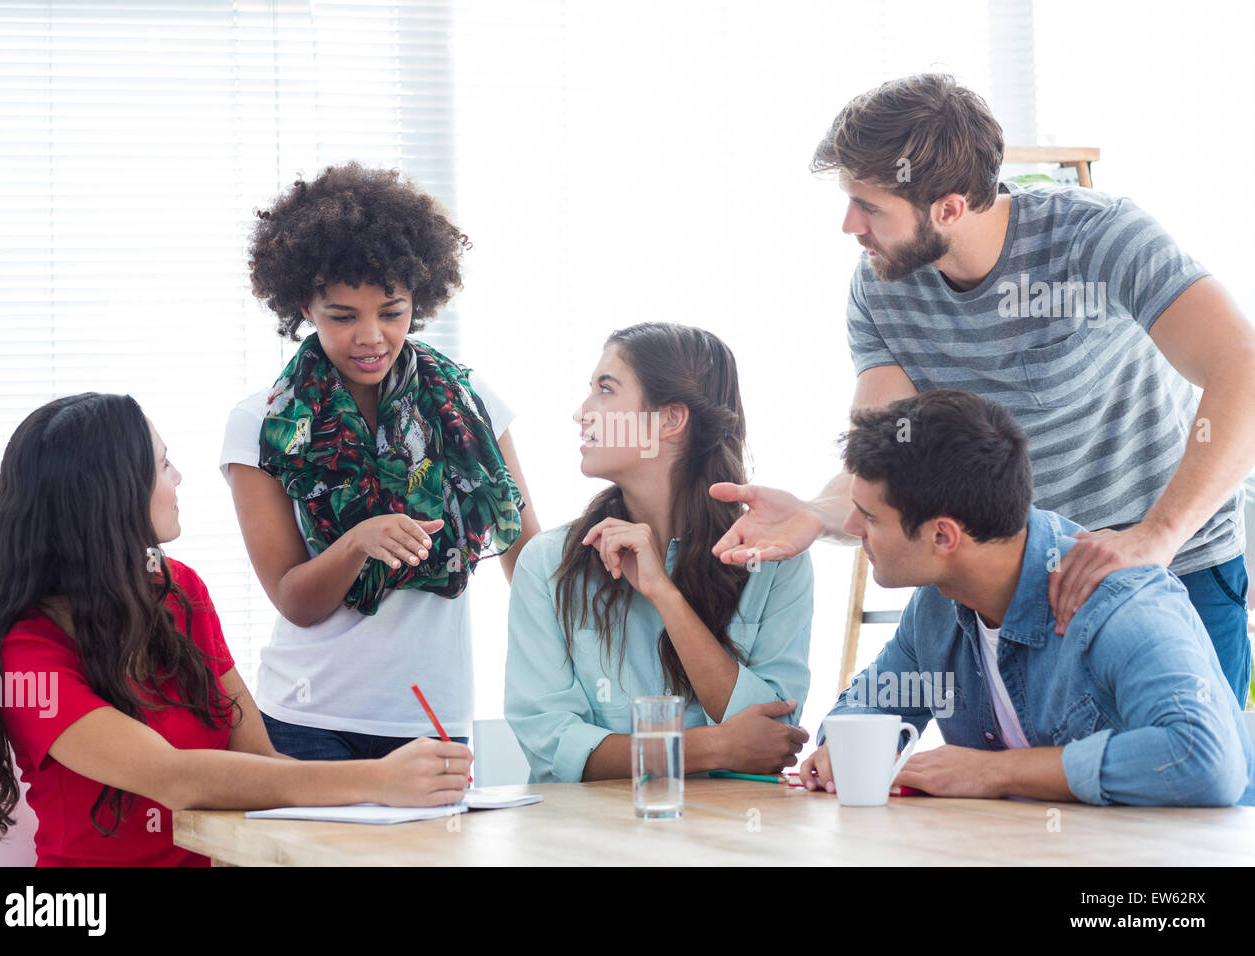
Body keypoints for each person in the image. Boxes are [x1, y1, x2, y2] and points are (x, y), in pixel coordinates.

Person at [711, 74, 1254, 704]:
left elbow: (1240, 366)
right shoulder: (883, 286)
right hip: (1032, 588)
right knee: (1047, 787)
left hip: (1174, 566)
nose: (848, 225)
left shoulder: (1096, 235)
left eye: (870, 207)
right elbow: (889, 450)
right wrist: (818, 512)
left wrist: (1156, 536)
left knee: (1183, 782)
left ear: (948, 207)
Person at [0, 394, 473, 866]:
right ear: (109, 495)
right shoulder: (23, 655)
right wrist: (379, 780)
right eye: (162, 465)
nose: (177, 478)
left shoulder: (179, 589)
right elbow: (174, 778)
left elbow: (259, 761)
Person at [797, 390, 1254, 806]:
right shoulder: (936, 606)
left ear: (943, 535)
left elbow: (1204, 761)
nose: (852, 531)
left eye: (869, 517)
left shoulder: (1119, 603)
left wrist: (991, 772)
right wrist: (838, 749)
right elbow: (871, 705)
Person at [222, 163, 538, 759]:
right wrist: (357, 541)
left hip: (432, 721)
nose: (370, 337)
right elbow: (296, 600)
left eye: (390, 312)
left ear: (419, 301)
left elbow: (527, 559)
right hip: (303, 723)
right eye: (343, 316)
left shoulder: (470, 405)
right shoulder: (261, 424)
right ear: (303, 308)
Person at [505, 323, 812, 783]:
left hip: (737, 839)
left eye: (605, 390)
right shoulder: (548, 562)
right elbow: (551, 746)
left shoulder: (772, 558)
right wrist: (710, 747)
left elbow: (772, 737)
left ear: (669, 420)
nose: (580, 412)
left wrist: (664, 595)